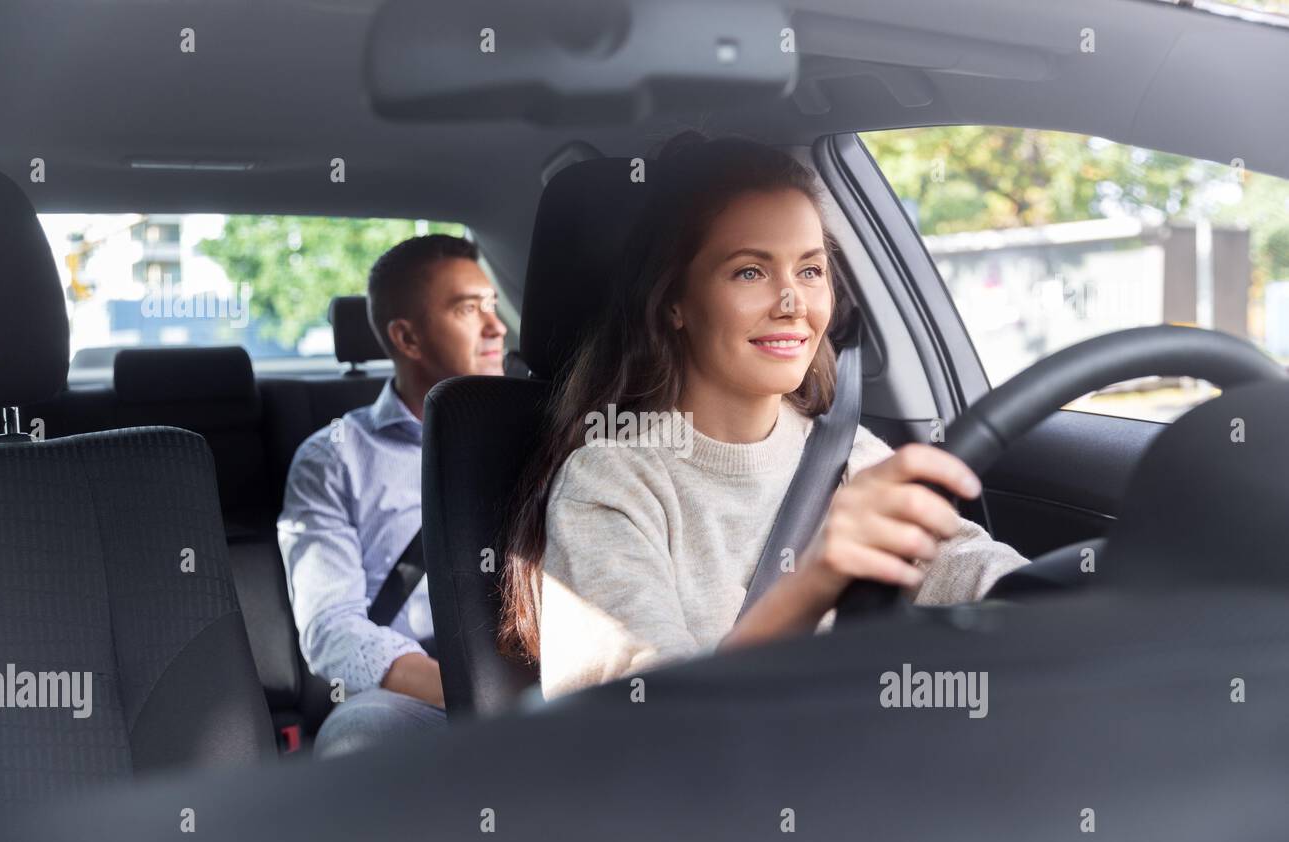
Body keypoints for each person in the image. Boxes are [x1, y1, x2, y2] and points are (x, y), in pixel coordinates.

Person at [498, 135, 1029, 700]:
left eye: (810, 270)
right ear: (674, 301)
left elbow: (970, 566)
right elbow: (644, 721)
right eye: (750, 272)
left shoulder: (849, 454)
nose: (792, 301)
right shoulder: (611, 484)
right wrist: (813, 582)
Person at [279, 235, 506, 755]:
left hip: (546, 672)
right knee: (362, 740)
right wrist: (475, 695)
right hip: (414, 690)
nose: (496, 328)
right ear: (407, 338)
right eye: (468, 310)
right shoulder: (333, 457)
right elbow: (332, 628)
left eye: (493, 306)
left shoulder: (545, 433)